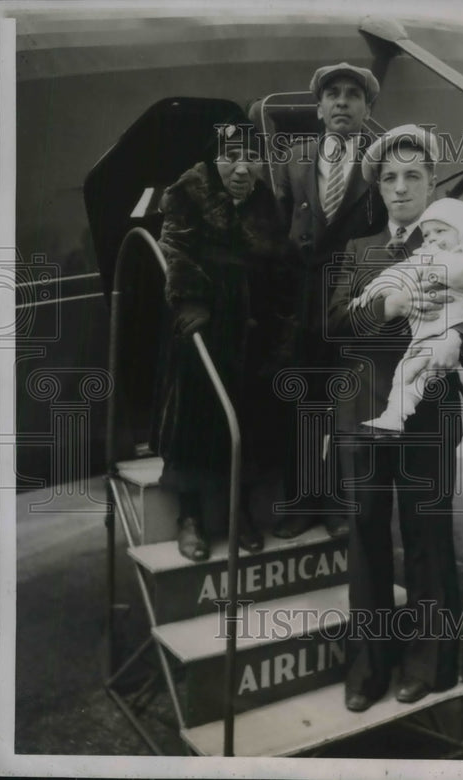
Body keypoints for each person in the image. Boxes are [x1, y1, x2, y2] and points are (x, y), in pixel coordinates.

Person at [327, 125, 463, 710]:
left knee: (427, 536)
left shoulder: (456, 246)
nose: (400, 187)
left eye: (413, 175)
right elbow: (333, 324)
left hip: (428, 416)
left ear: (432, 183)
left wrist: (459, 338)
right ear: (378, 188)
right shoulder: (358, 251)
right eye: (389, 177)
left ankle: (429, 664)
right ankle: (368, 668)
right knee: (365, 537)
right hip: (363, 413)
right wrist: (387, 305)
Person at [152, 120, 289, 562]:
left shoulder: (265, 204)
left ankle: (239, 511)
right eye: (231, 157)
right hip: (204, 328)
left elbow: (277, 267)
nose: (242, 168)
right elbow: (173, 249)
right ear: (214, 160)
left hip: (250, 333)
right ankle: (190, 517)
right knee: (196, 416)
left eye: (251, 157)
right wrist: (192, 300)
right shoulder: (189, 193)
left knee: (247, 415)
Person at [273, 61, 387, 540]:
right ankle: (302, 502)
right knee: (303, 405)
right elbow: (278, 231)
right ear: (319, 109)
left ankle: (341, 505)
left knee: (347, 406)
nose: (342, 101)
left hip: (352, 303)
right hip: (304, 305)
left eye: (353, 95)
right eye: (333, 94)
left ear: (366, 109)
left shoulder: (381, 164)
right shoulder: (294, 159)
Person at [351, 197, 463, 431]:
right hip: (425, 335)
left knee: (417, 372)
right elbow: (397, 272)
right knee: (405, 373)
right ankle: (394, 417)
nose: (432, 238)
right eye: (427, 234)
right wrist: (372, 291)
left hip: (448, 330)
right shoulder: (421, 257)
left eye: (440, 231)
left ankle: (396, 416)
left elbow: (453, 273)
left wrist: (427, 262)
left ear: (461, 233)